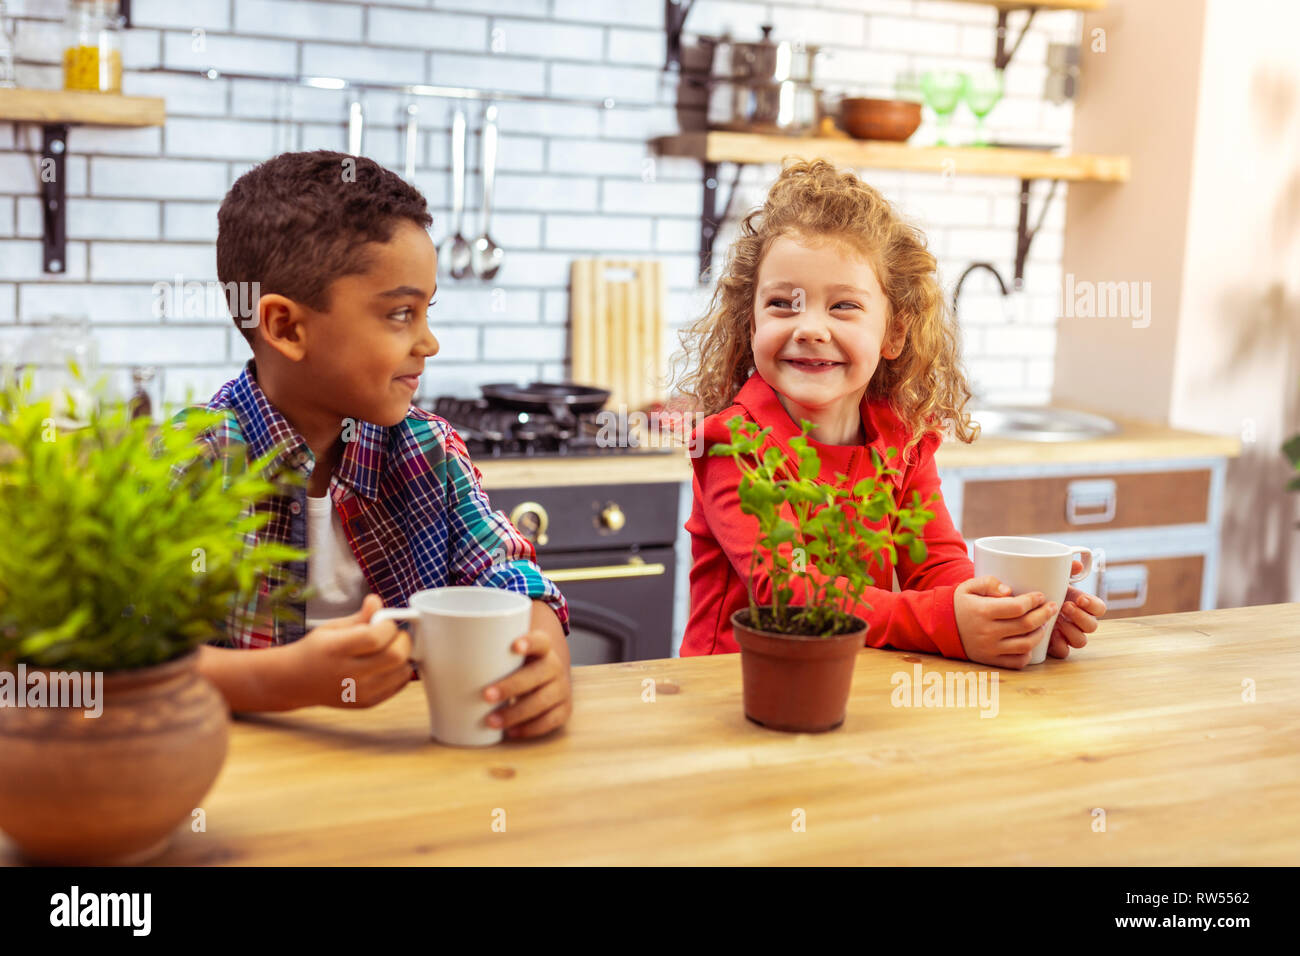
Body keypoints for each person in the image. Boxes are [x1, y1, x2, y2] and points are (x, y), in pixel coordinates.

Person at [176, 150, 572, 736]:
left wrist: (544, 661)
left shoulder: (428, 449)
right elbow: (121, 663)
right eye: (400, 314)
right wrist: (290, 679)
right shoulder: (193, 463)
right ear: (286, 327)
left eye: (426, 311)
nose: (429, 343)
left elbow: (513, 580)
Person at [677, 159, 1106, 666]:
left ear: (894, 334)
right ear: (751, 322)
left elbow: (937, 566)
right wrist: (948, 623)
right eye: (783, 303)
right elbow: (789, 592)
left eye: (843, 306)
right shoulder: (735, 444)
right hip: (733, 689)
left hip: (855, 682)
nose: (810, 327)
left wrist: (1011, 616)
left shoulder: (902, 443)